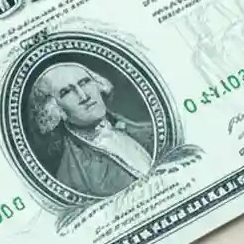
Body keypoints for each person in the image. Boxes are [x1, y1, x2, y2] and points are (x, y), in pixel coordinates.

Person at [29, 62, 155, 198]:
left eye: (84, 82)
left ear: (98, 84)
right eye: (67, 92)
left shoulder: (144, 130)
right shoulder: (73, 179)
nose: (84, 96)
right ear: (56, 110)